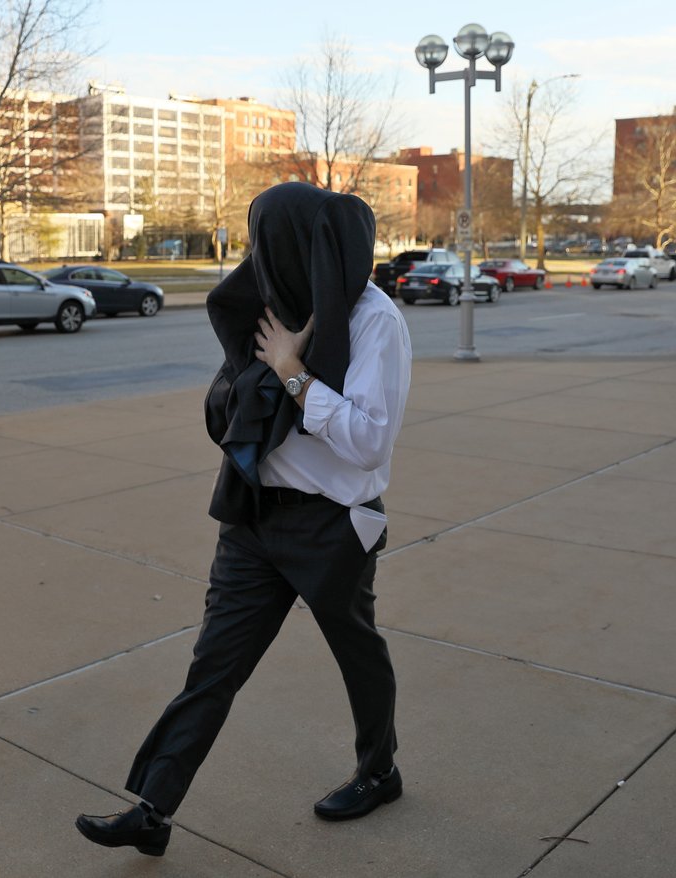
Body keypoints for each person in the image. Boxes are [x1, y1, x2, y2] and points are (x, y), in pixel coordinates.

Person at [75, 182, 413, 857]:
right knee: (213, 667)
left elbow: (370, 439)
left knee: (358, 656)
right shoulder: (273, 305)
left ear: (298, 247)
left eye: (268, 241)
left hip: (334, 526)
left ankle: (380, 771)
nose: (259, 256)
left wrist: (293, 372)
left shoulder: (375, 321)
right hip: (255, 521)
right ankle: (153, 809)